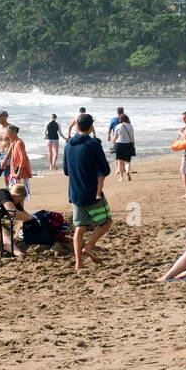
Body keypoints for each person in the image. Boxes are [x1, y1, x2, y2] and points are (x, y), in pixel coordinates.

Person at [64, 113, 112, 269]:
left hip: (75, 193)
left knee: (79, 228)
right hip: (92, 193)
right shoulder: (93, 144)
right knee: (106, 222)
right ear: (91, 127)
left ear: (77, 127)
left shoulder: (68, 145)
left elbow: (66, 170)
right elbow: (105, 168)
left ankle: (78, 264)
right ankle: (89, 247)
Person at [3, 124, 32, 194]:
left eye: (8, 132)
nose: (7, 134)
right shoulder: (14, 142)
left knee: (20, 194)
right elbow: (10, 150)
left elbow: (23, 158)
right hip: (14, 173)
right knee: (13, 193)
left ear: (14, 133)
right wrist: (5, 160)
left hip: (19, 173)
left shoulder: (19, 143)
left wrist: (19, 172)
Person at [110, 113, 136, 181]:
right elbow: (132, 137)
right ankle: (127, 171)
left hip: (119, 145)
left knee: (120, 161)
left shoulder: (118, 126)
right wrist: (133, 144)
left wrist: (113, 142)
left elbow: (115, 137)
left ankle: (121, 177)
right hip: (128, 144)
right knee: (127, 161)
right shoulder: (130, 126)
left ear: (120, 119)